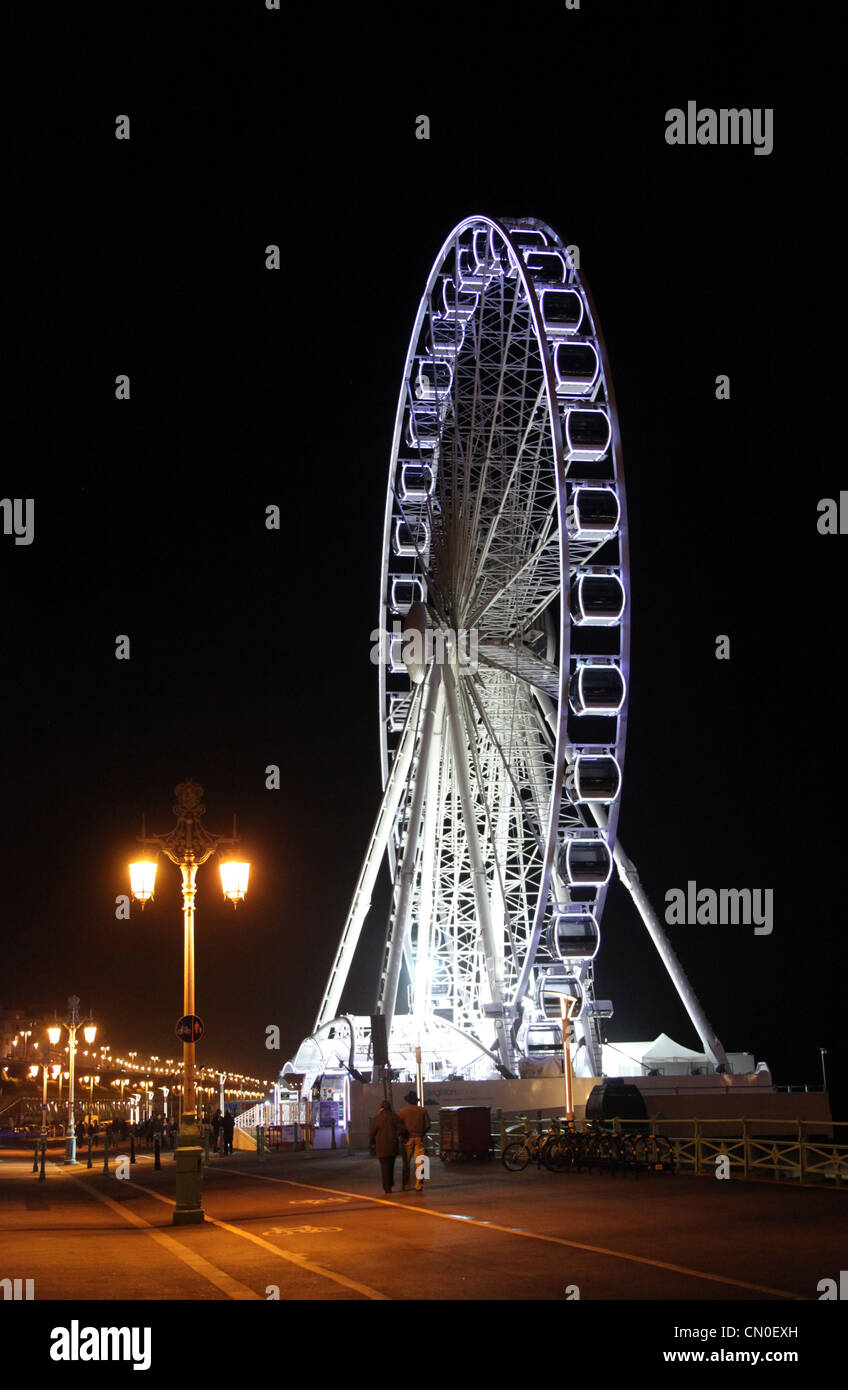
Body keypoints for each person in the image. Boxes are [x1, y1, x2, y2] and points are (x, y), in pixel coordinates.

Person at [397, 1089, 430, 1192]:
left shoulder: (402, 1112)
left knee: (406, 1163)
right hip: (419, 1138)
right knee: (420, 1162)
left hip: (407, 1139)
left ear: (408, 1101)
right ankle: (419, 1185)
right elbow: (428, 1125)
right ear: (416, 1101)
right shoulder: (423, 1111)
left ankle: (406, 1185)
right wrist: (422, 1133)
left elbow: (399, 1127)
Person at [369, 1100, 402, 1194]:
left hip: (381, 1147)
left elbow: (372, 1132)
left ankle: (387, 1187)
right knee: (391, 1165)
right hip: (392, 1145)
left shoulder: (377, 1118)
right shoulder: (395, 1117)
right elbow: (401, 1130)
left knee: (384, 1167)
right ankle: (390, 1183)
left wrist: (372, 1143)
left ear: (381, 1108)